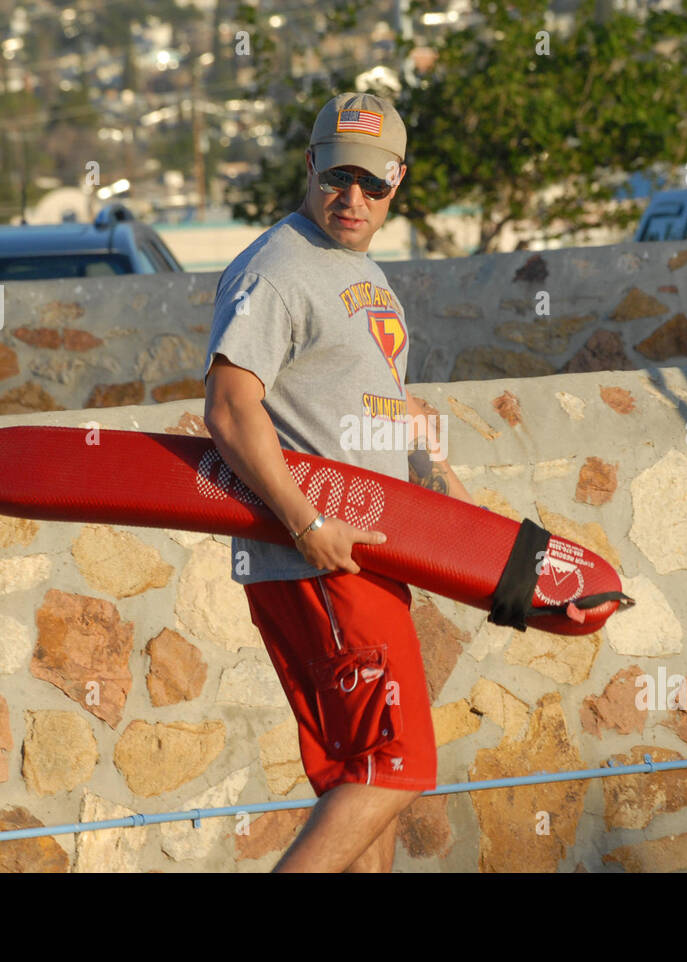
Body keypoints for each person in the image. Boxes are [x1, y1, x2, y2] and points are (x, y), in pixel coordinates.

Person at [201, 92, 474, 873]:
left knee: (361, 776)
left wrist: (436, 470)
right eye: (338, 177)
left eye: (374, 183)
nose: (352, 198)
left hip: (362, 549)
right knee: (401, 763)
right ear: (311, 165)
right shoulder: (276, 270)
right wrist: (305, 523)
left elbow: (380, 391)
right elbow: (228, 406)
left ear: (399, 182)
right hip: (321, 555)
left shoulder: (359, 271)